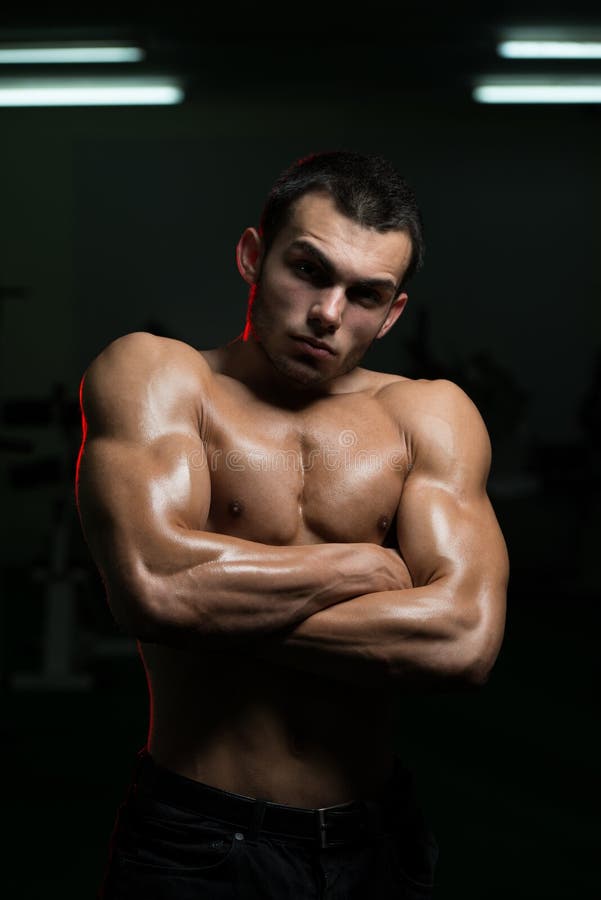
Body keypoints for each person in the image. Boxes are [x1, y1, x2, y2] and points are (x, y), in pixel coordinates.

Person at [75, 150, 509, 899]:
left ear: (393, 310)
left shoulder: (429, 416)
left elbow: (461, 640)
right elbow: (153, 589)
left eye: (365, 295)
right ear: (253, 255)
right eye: (307, 270)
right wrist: (361, 570)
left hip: (375, 841)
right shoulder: (160, 377)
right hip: (196, 837)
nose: (328, 315)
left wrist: (211, 605)